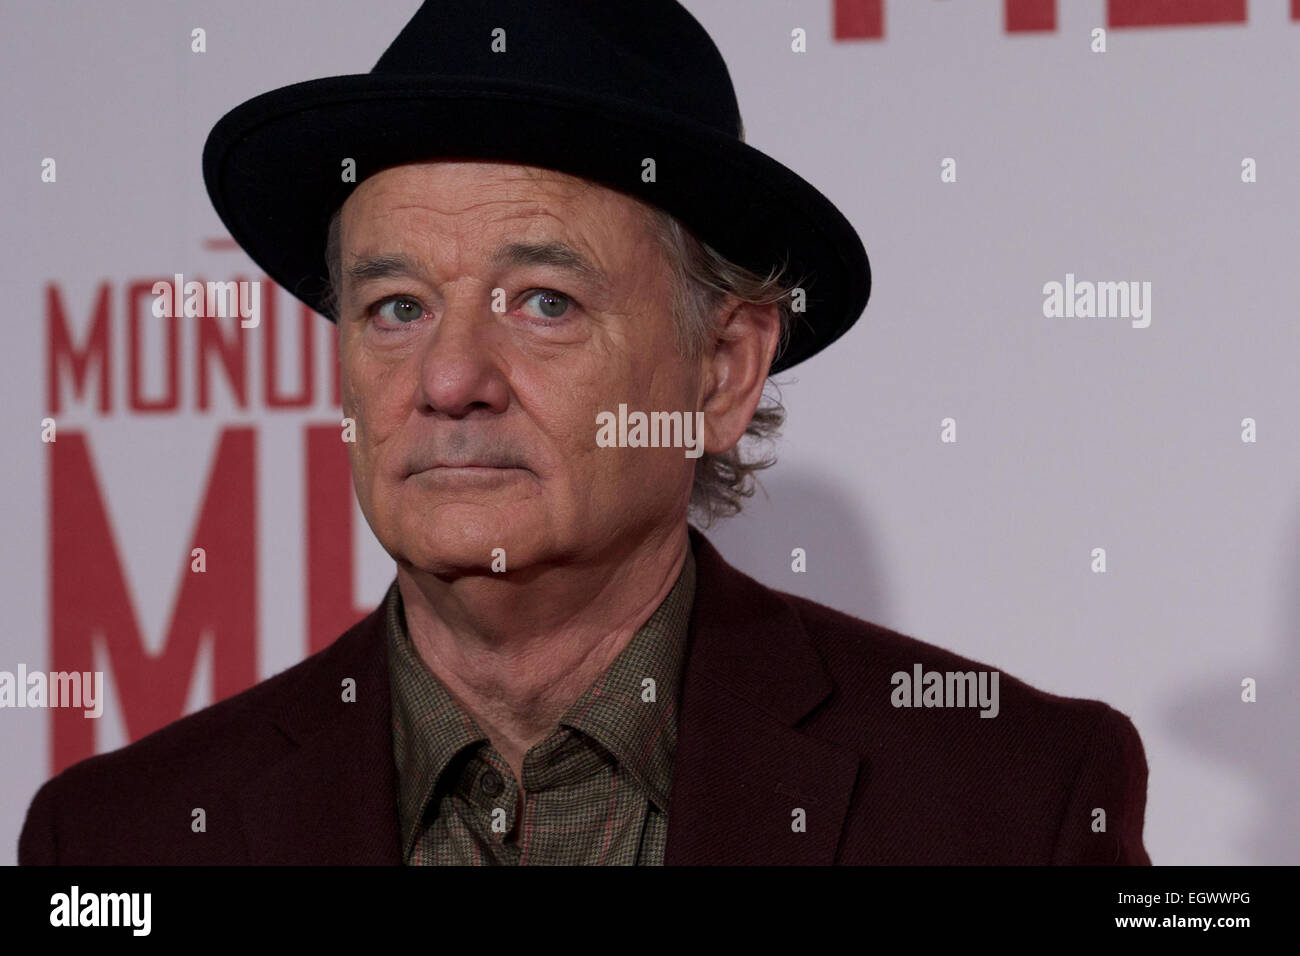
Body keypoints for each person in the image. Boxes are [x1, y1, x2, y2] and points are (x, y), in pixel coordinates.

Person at [19, 0, 1150, 865]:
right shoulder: (123, 840)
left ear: (722, 368)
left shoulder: (1012, 802)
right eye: (396, 307)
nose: (450, 377)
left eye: (543, 302)